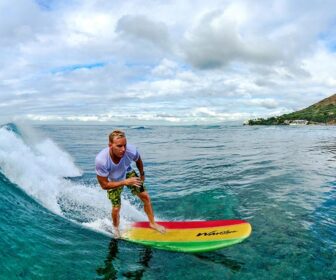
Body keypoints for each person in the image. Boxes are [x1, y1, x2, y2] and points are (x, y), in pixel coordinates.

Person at [95, 130, 165, 238]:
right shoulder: (102, 160)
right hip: (114, 180)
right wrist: (124, 182)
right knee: (116, 207)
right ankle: (116, 229)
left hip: (128, 172)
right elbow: (104, 185)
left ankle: (152, 223)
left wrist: (142, 175)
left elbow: (139, 161)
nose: (123, 149)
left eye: (125, 145)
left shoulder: (131, 150)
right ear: (110, 145)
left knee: (145, 197)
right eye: (119, 146)